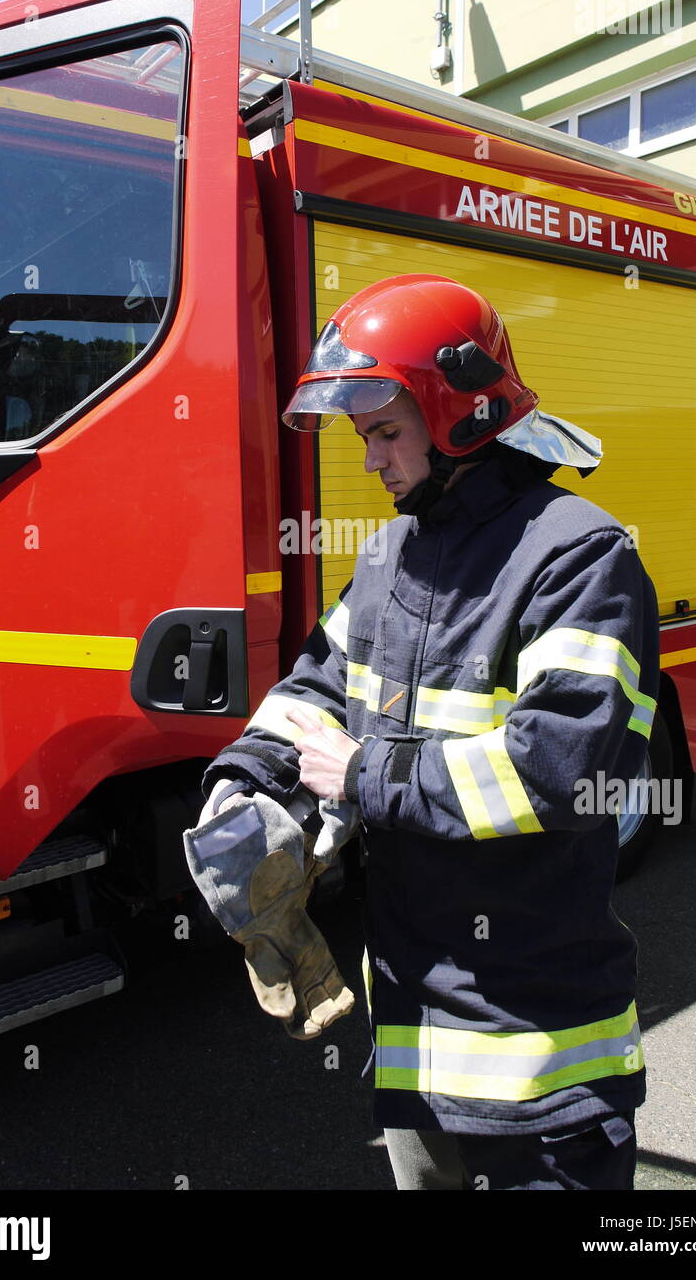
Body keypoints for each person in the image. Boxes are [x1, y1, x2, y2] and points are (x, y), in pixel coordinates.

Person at [201, 272, 660, 1190]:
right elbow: (316, 689)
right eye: (363, 436)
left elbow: (566, 771)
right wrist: (243, 784)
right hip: (416, 1057)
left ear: (458, 413)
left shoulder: (578, 557)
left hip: (544, 1073)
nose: (371, 459)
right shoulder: (391, 558)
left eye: (383, 431)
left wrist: (366, 776)